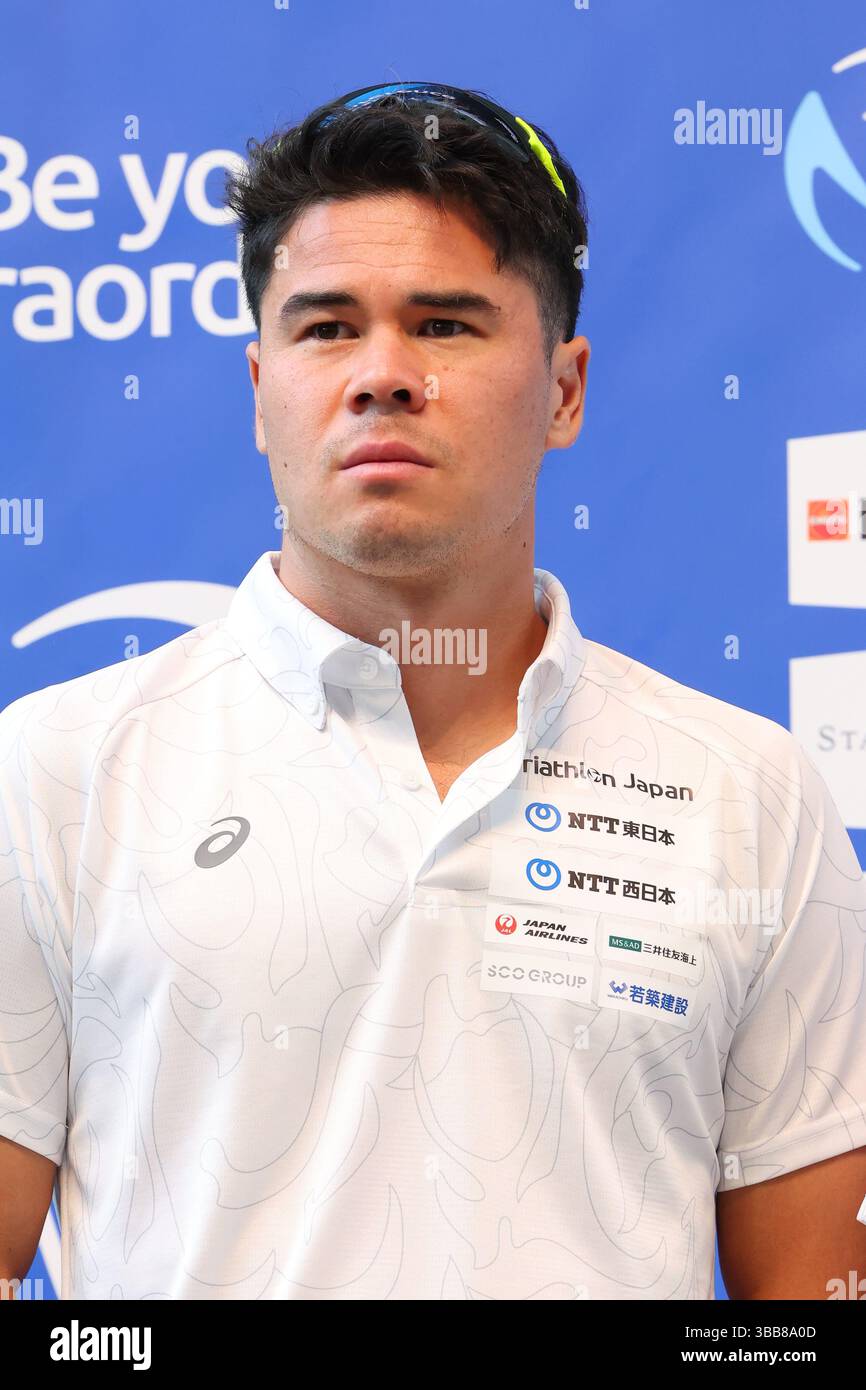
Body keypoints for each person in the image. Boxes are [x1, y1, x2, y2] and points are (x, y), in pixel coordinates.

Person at [1, 82, 864, 1302]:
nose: (380, 375)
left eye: (446, 325)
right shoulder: (53, 773)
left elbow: (807, 1307)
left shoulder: (749, 793)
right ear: (259, 389)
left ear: (562, 390)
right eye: (324, 328)